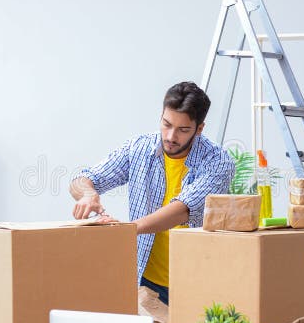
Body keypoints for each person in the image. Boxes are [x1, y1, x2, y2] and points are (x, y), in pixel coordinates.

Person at [69, 81, 234, 305]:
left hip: (195, 282)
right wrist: (87, 194)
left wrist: (126, 230)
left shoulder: (218, 161)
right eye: (166, 124)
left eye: (183, 130)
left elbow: (182, 210)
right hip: (146, 281)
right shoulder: (139, 148)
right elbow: (84, 179)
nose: (171, 136)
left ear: (200, 129)